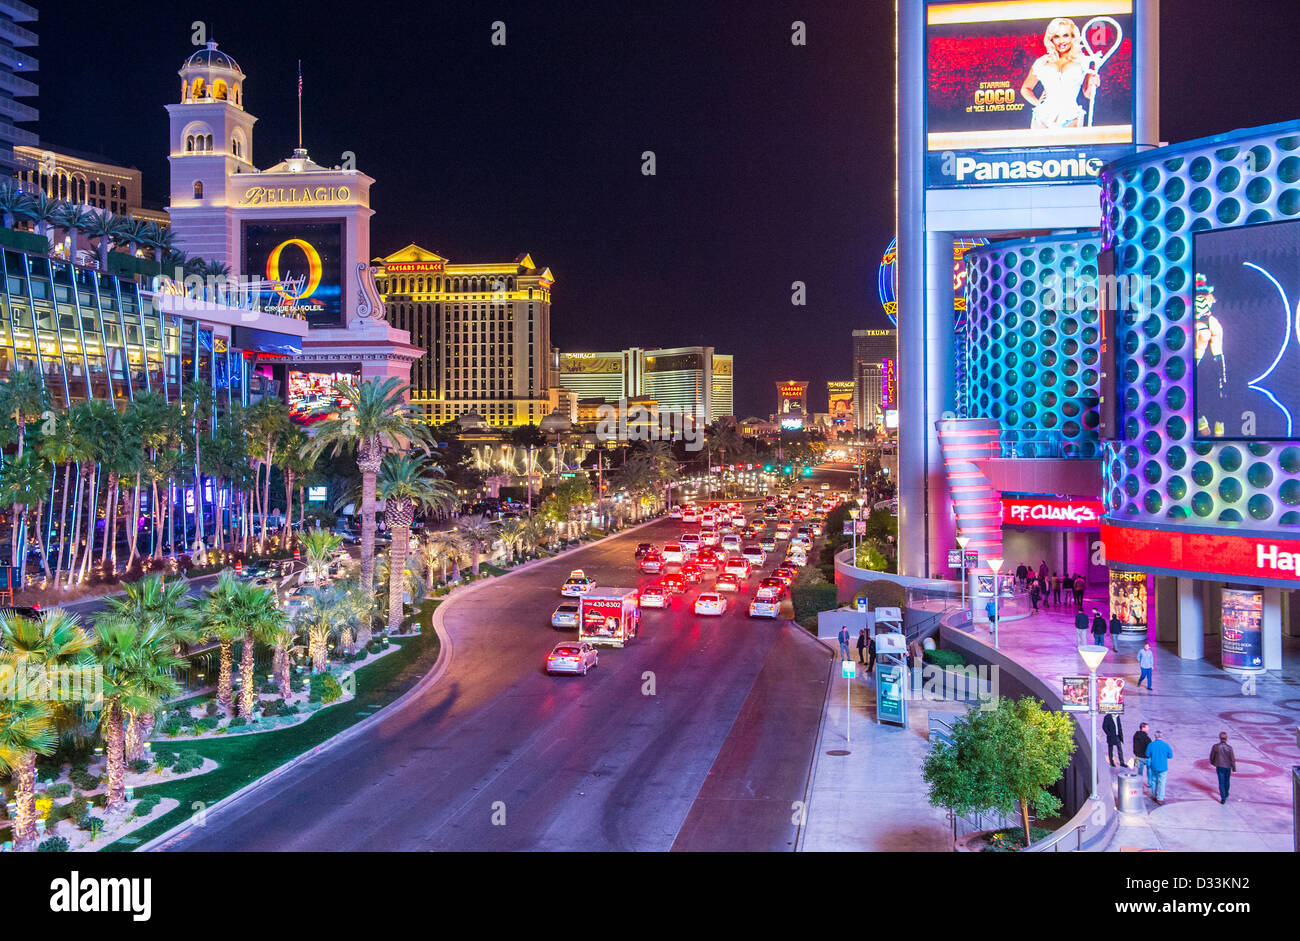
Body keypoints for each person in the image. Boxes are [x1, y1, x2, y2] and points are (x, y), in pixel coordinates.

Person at [1019, 17, 1099, 131]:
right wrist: (1038, 104)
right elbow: (1025, 88)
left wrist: (1093, 84)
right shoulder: (1042, 62)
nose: (1061, 41)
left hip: (1071, 116)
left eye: (1066, 35)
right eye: (1057, 36)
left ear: (1073, 37)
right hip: (1042, 118)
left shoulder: (1083, 62)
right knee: (1040, 149)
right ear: (1051, 39)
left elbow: (1088, 95)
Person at [1209, 732, 1237, 804]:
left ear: (1220, 738)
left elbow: (1212, 756)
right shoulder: (1229, 748)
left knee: (1221, 782)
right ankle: (1226, 793)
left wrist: (1213, 763)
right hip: (1227, 767)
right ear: (1226, 738)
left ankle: (1223, 798)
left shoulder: (1216, 747)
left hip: (1220, 766)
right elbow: (1232, 759)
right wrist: (1234, 768)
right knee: (1227, 781)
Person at [1146, 731, 1173, 804]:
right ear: (1162, 736)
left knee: (1154, 781)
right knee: (1162, 783)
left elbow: (1147, 754)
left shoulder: (1151, 745)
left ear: (1155, 736)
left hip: (1154, 766)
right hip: (1163, 767)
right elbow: (1170, 756)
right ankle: (1160, 798)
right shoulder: (1166, 745)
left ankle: (1154, 795)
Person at [1133, 722, 1152, 788]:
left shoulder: (1136, 736)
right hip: (1146, 757)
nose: (1148, 728)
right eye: (1147, 727)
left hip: (1138, 757)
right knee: (1149, 770)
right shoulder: (1147, 739)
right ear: (1143, 728)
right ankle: (1149, 783)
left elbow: (1134, 746)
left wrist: (1135, 754)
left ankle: (1139, 783)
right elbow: (1149, 748)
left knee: (1139, 771)